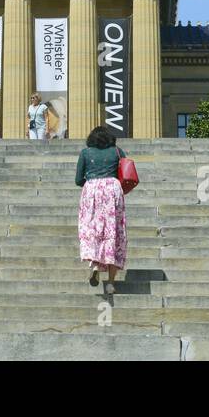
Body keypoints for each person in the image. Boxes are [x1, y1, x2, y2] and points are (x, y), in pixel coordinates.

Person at [75, 125, 128, 294]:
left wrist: (92, 184)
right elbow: (125, 172)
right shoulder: (117, 151)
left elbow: (78, 179)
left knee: (93, 230)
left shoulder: (85, 153)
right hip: (113, 189)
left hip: (91, 191)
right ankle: (111, 282)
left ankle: (95, 266)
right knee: (114, 232)